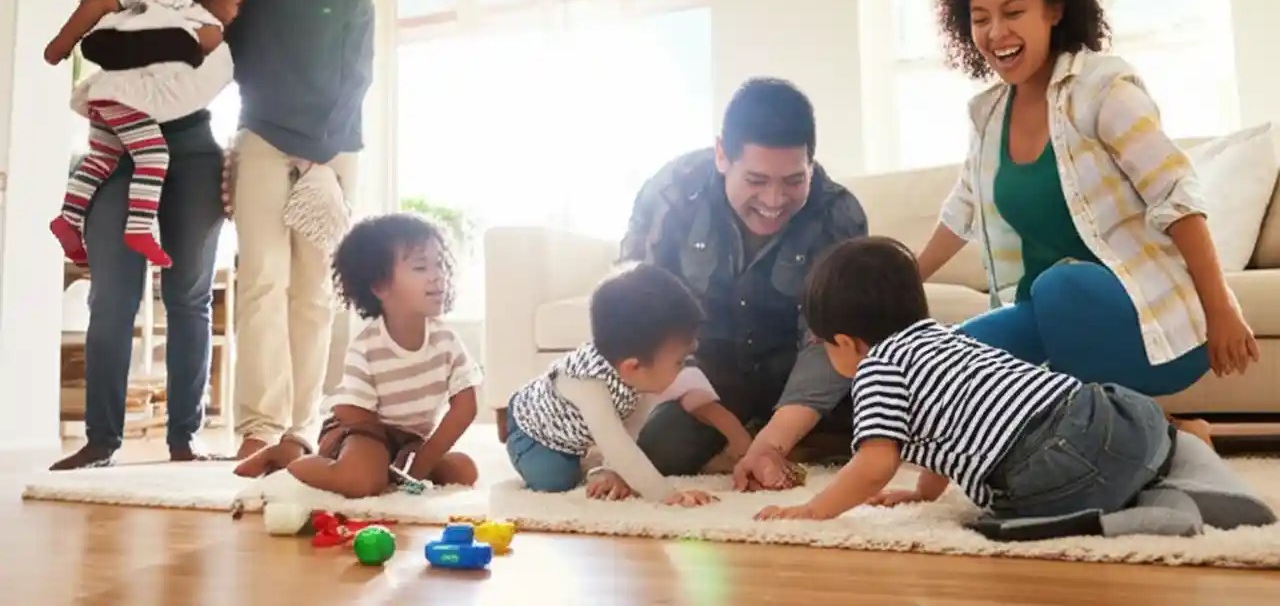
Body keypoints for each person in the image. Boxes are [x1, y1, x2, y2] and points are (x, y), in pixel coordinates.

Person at [915, 0, 1257, 442]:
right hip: (1047, 318)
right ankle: (1173, 434)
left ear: (1054, 11)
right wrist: (897, 289)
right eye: (980, 18)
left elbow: (1176, 195)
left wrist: (1222, 307)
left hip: (1146, 319)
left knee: (1062, 285)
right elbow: (960, 211)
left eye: (1014, 12)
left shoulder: (1102, 89)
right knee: (945, 361)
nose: (996, 32)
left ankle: (1120, 429)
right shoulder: (987, 114)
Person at [756, 237, 1275, 541]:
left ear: (846, 342)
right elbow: (954, 427)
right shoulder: (944, 338)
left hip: (1055, 466)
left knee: (996, 520)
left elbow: (875, 463)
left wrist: (812, 510)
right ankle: (1185, 460)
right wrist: (921, 493)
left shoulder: (877, 368)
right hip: (1111, 412)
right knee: (1124, 450)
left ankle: (1140, 518)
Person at [49, 0, 256, 470]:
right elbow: (97, 47)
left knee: (189, 298)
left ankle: (184, 438)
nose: (235, 11)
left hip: (193, 152)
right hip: (119, 149)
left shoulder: (226, 32)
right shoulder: (146, 3)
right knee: (111, 299)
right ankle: (101, 440)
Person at [622, 77, 869, 491]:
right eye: (756, 180)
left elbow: (829, 343)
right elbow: (638, 306)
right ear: (722, 155)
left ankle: (771, 439)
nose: (774, 201)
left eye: (794, 181)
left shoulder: (838, 214)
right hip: (709, 374)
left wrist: (773, 443)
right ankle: (758, 439)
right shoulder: (673, 193)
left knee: (884, 423)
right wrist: (694, 397)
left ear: (811, 163)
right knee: (663, 448)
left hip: (795, 370)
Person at [225, 0, 375, 463]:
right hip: (264, 135)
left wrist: (320, 154)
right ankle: (260, 424)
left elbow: (357, 76)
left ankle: (301, 425)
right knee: (261, 279)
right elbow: (233, 61)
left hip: (334, 145)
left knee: (315, 289)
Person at [236, 214, 481, 494]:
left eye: (439, 264)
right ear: (379, 286)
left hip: (410, 440)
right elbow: (352, 413)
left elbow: (465, 408)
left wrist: (421, 463)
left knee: (464, 470)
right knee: (363, 481)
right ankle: (291, 461)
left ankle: (387, 470)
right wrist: (381, 461)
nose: (437, 275)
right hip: (359, 430)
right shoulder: (368, 346)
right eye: (420, 267)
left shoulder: (446, 341)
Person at [47, 0, 250, 268]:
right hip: (125, 100)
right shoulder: (192, 22)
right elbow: (173, 91)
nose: (238, 12)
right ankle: (139, 229)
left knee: (101, 158)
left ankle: (68, 218)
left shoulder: (159, 7)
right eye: (236, 2)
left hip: (103, 96)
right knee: (154, 156)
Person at [506, 264, 739, 505]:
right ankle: (534, 452)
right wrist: (668, 496)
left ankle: (590, 460)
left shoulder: (635, 373)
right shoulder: (589, 383)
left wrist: (615, 470)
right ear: (634, 367)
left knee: (616, 451)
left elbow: (630, 430)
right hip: (532, 431)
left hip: (581, 433)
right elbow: (618, 446)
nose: (685, 368)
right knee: (556, 478)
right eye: (679, 362)